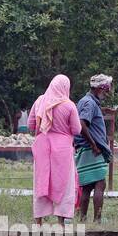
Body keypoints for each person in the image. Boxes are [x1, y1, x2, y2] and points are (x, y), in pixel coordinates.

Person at [27, 74, 79, 223]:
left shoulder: (39, 101)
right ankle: (61, 222)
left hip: (42, 146)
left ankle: (38, 221)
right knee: (64, 183)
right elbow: (76, 129)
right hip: (62, 147)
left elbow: (31, 125)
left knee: (41, 181)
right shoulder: (69, 105)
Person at [74, 74, 113, 222]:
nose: (107, 92)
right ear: (100, 88)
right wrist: (93, 145)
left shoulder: (86, 101)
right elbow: (82, 124)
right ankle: (97, 219)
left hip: (84, 149)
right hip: (92, 149)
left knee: (87, 187)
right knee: (100, 183)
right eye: (107, 89)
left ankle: (82, 218)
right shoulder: (89, 103)